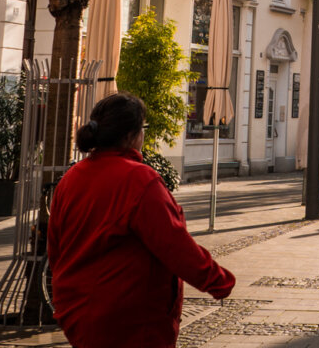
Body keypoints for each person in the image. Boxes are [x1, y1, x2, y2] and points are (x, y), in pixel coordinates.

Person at [48, 93, 235, 348]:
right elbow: (174, 244)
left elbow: (56, 248)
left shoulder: (71, 179)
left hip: (78, 313)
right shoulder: (139, 180)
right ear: (131, 135)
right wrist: (218, 281)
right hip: (130, 319)